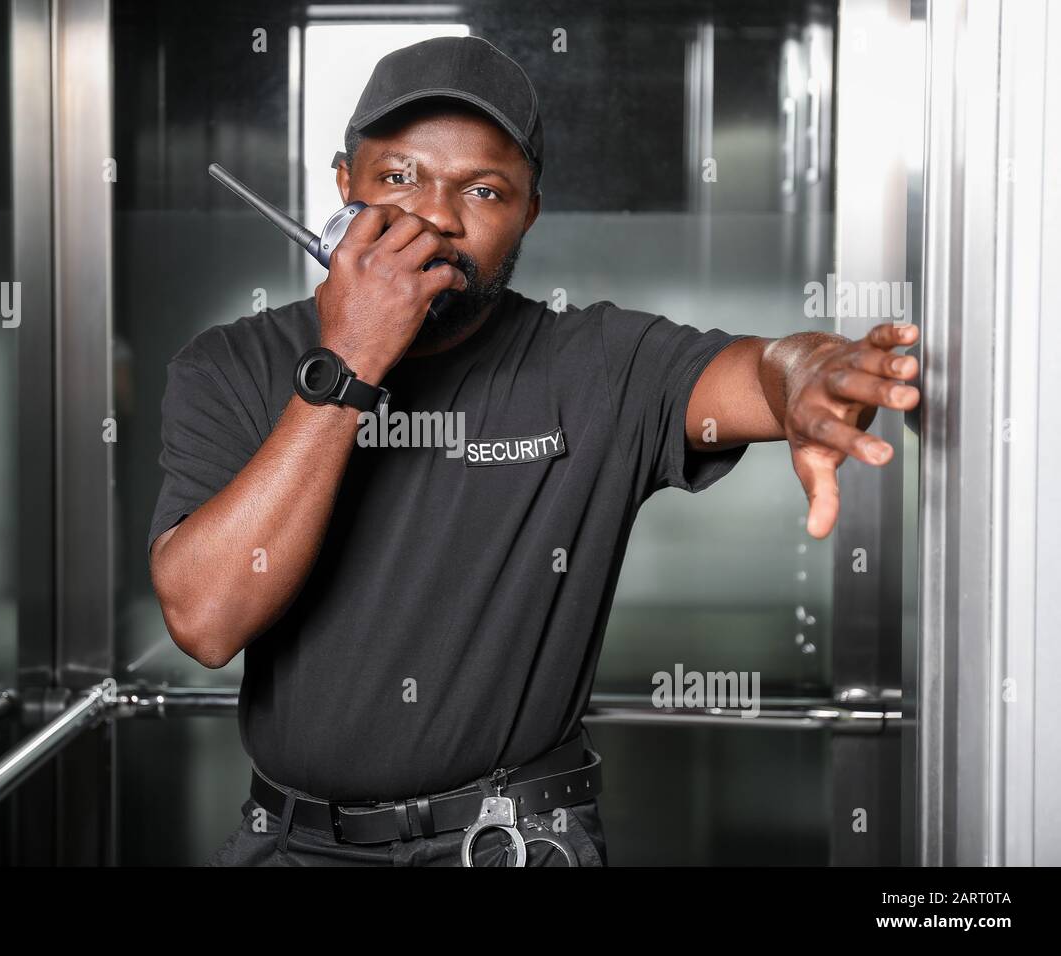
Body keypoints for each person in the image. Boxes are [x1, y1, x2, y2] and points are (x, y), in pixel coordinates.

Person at [147, 36, 921, 866]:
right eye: (399, 177)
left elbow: (755, 372)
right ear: (344, 186)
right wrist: (349, 365)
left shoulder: (596, 363)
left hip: (510, 842)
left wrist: (804, 373)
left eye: (482, 189)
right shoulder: (229, 367)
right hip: (290, 845)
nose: (437, 217)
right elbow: (207, 621)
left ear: (528, 214)